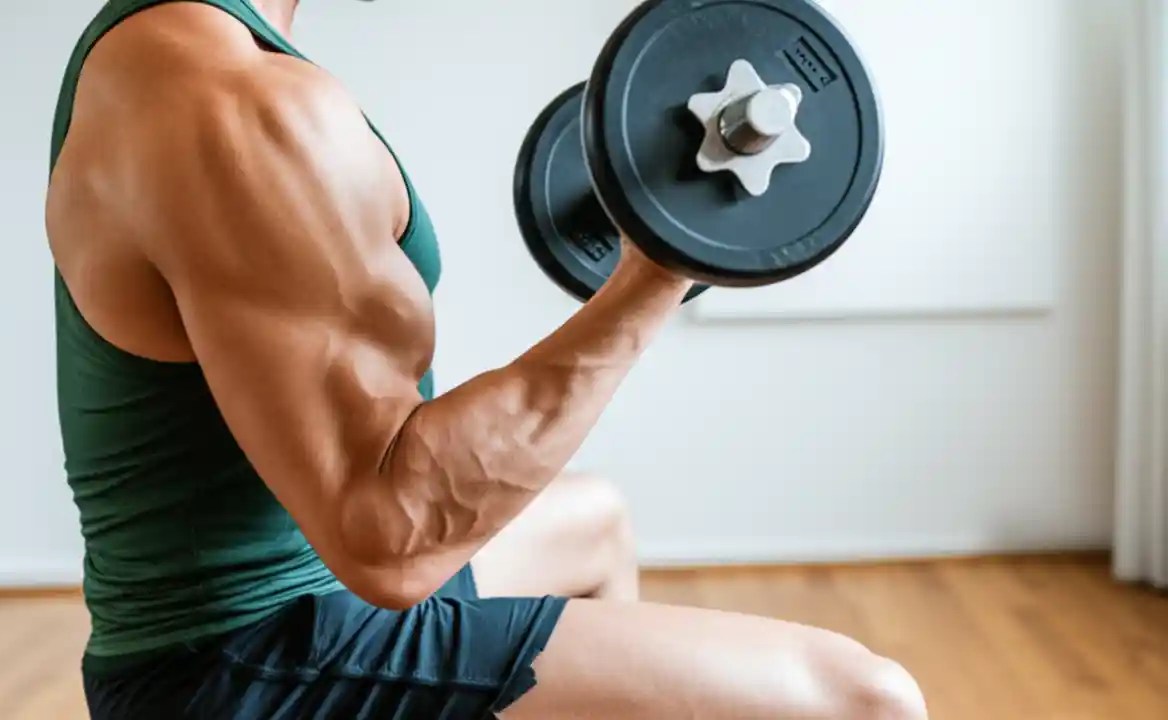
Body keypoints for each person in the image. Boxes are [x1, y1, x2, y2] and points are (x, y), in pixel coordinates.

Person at [46, 1, 929, 717]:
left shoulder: (171, 42)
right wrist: (664, 266)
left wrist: (658, 252)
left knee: (596, 524)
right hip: (237, 672)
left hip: (284, 605)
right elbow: (389, 538)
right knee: (865, 702)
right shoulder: (232, 106)